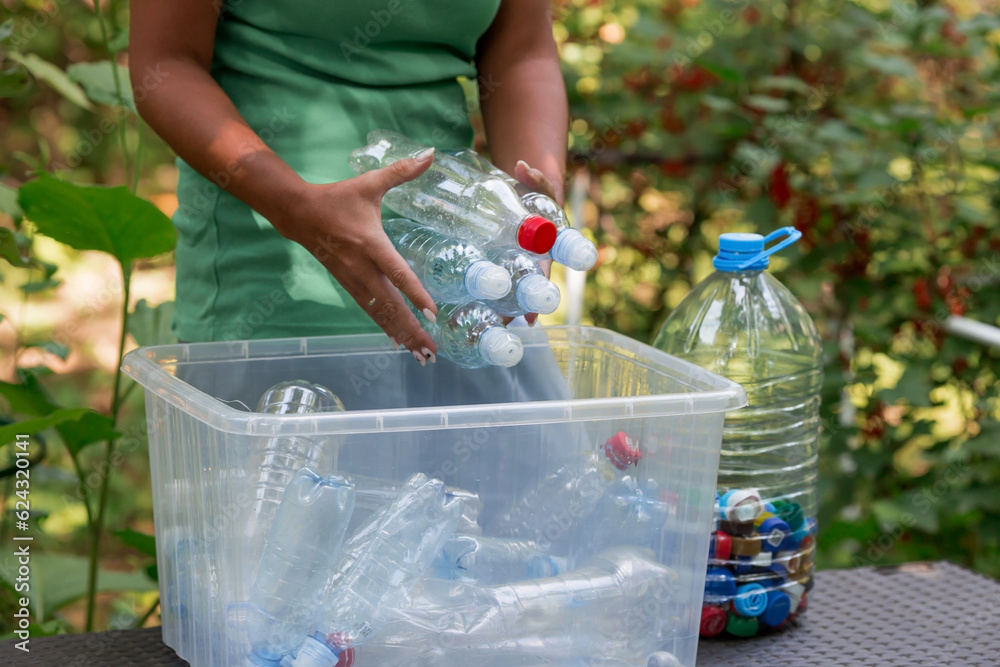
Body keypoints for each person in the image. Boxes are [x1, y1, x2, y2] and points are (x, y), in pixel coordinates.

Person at [129, 0, 568, 365]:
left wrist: (528, 210)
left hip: (466, 287)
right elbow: (166, 63)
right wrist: (294, 206)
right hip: (274, 281)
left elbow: (521, 53)